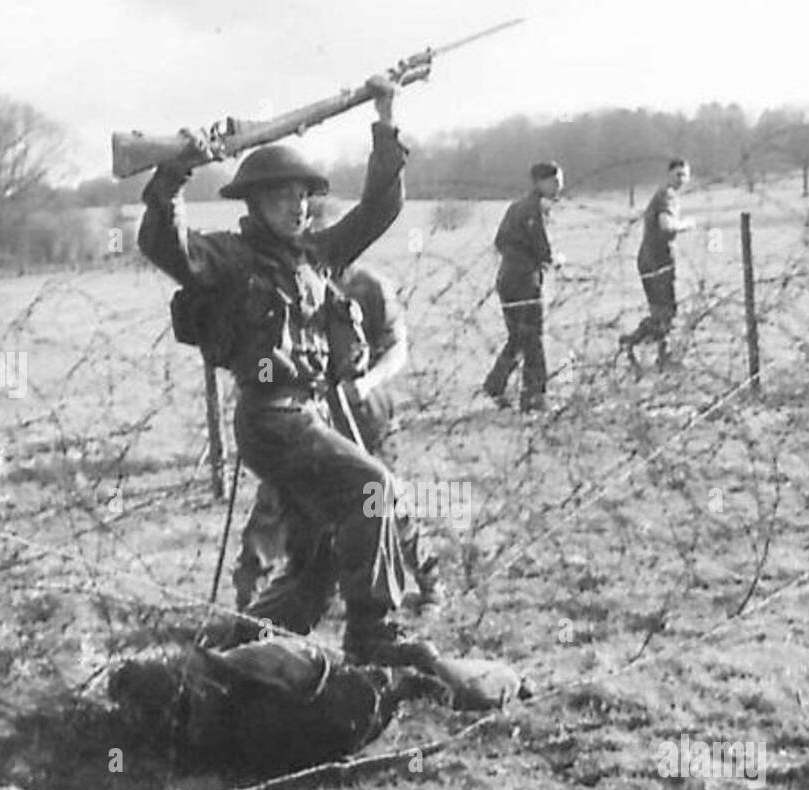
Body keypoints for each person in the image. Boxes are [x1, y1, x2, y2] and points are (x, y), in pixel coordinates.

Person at [137, 77, 435, 668]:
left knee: (317, 563)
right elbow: (161, 244)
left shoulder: (317, 255)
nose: (297, 208)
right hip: (273, 417)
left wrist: (384, 115)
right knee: (373, 490)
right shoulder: (227, 257)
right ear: (253, 203)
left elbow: (381, 207)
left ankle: (218, 653)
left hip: (311, 416)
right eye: (281, 199)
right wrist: (174, 172)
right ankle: (372, 635)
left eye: (304, 198)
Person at [231, 237, 441, 614]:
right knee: (275, 503)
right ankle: (249, 601)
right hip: (306, 418)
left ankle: (428, 583)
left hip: (365, 413)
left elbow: (397, 348)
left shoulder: (371, 287)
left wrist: (366, 382)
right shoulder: (288, 287)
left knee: (385, 498)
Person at [482, 161, 563, 413]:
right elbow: (542, 247)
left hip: (507, 280)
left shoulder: (516, 206)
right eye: (556, 181)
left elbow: (500, 241)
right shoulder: (534, 208)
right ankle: (534, 397)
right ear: (541, 182)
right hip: (525, 283)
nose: (560, 186)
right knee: (533, 339)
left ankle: (495, 385)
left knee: (518, 337)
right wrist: (552, 260)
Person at [621, 158, 695, 369]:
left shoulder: (663, 194)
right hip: (658, 260)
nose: (681, 179)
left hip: (648, 259)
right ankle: (640, 344)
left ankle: (653, 351)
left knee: (661, 311)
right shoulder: (667, 195)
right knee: (667, 311)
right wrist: (686, 225)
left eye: (685, 175)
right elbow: (666, 225)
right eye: (677, 174)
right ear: (669, 175)